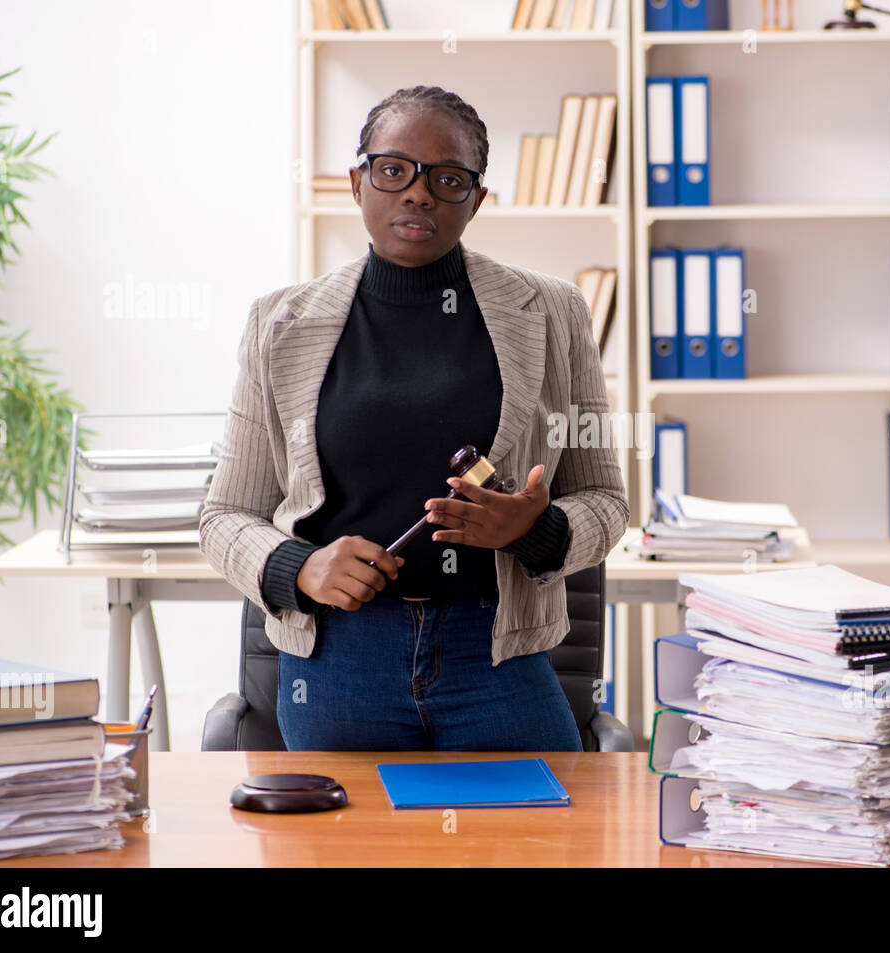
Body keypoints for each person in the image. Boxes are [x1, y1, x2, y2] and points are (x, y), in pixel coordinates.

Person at [199, 85, 628, 752]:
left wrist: (536, 530)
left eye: (447, 179)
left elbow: (606, 501)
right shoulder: (280, 323)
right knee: (343, 851)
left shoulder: (553, 312)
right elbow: (223, 513)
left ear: (476, 199)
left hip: (496, 654)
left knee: (543, 843)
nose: (418, 194)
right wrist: (297, 567)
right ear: (358, 180)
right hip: (339, 659)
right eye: (393, 169)